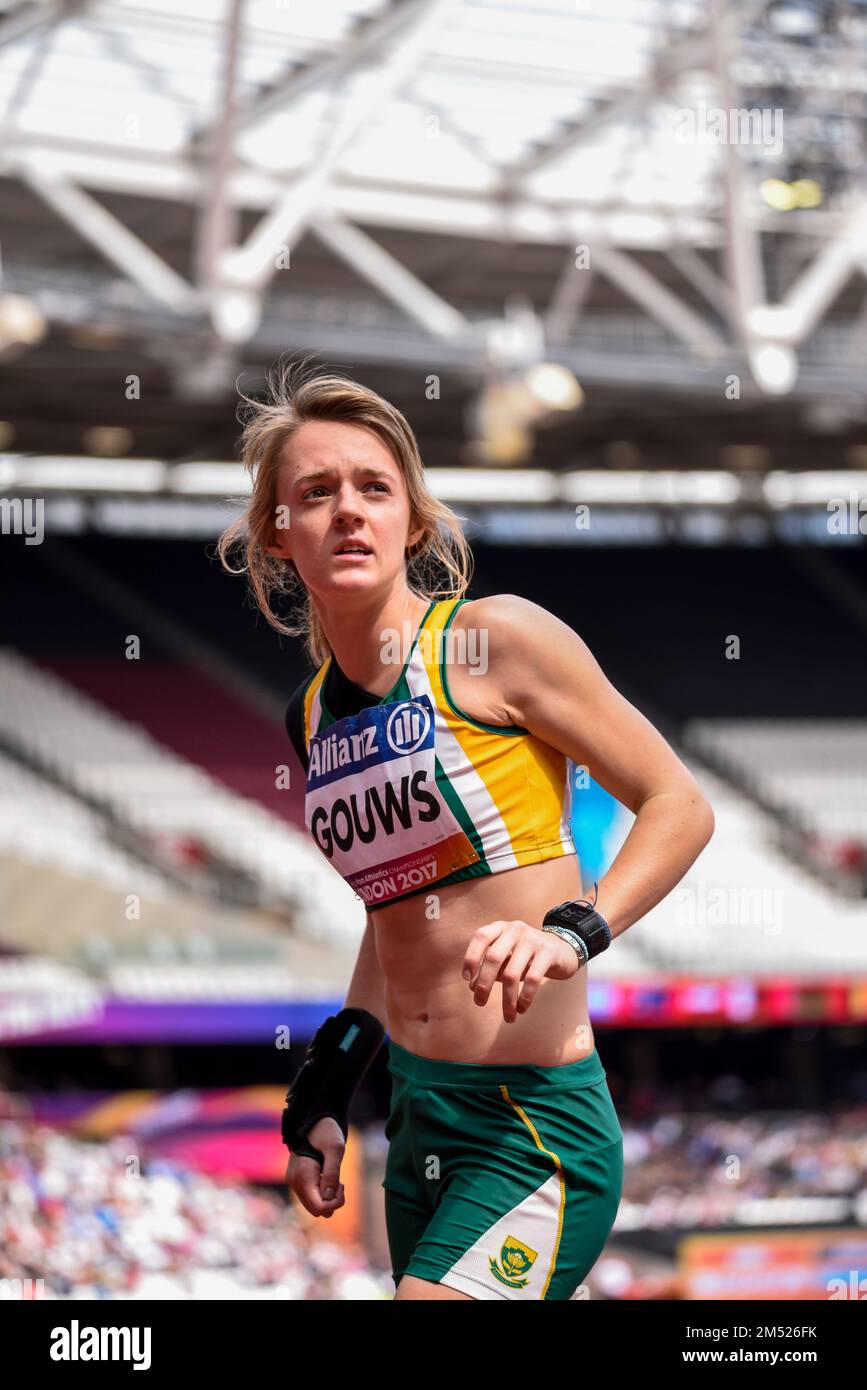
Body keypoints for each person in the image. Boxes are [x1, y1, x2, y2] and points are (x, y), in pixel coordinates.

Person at [217, 365, 715, 1300]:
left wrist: (571, 930)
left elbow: (678, 805)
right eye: (314, 494)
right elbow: (393, 916)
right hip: (417, 1119)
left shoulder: (496, 641)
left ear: (414, 520)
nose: (348, 512)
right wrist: (328, 1085)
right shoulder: (313, 715)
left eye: (375, 488)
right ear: (276, 536)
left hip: (533, 1126)